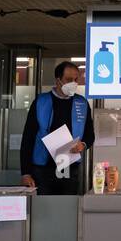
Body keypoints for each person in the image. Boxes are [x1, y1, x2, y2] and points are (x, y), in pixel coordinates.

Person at [20, 61, 95, 194]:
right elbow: (28, 138)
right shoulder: (41, 102)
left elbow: (90, 134)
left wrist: (83, 145)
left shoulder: (81, 103)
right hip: (42, 168)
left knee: (68, 208)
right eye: (68, 79)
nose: (73, 83)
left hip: (69, 167)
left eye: (76, 79)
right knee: (43, 208)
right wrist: (26, 173)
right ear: (58, 80)